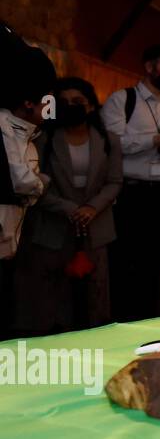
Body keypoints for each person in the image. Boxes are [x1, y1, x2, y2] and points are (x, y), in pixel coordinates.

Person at [14, 78, 122, 334]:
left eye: (78, 102)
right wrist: (68, 208)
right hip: (52, 229)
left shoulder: (109, 140)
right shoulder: (44, 139)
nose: (70, 107)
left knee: (94, 299)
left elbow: (114, 181)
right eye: (63, 103)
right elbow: (35, 182)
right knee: (49, 301)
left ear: (91, 106)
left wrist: (92, 208)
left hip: (95, 229)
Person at [101, 44, 160, 321]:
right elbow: (112, 145)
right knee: (126, 262)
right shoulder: (122, 100)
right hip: (130, 193)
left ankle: (152, 319)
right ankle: (122, 319)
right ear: (150, 67)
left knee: (157, 262)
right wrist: (155, 140)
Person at [0, 24, 55, 333]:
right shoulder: (5, 128)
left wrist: (33, 186)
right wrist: (40, 183)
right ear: (28, 102)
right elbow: (22, 182)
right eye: (48, 99)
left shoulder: (29, 135)